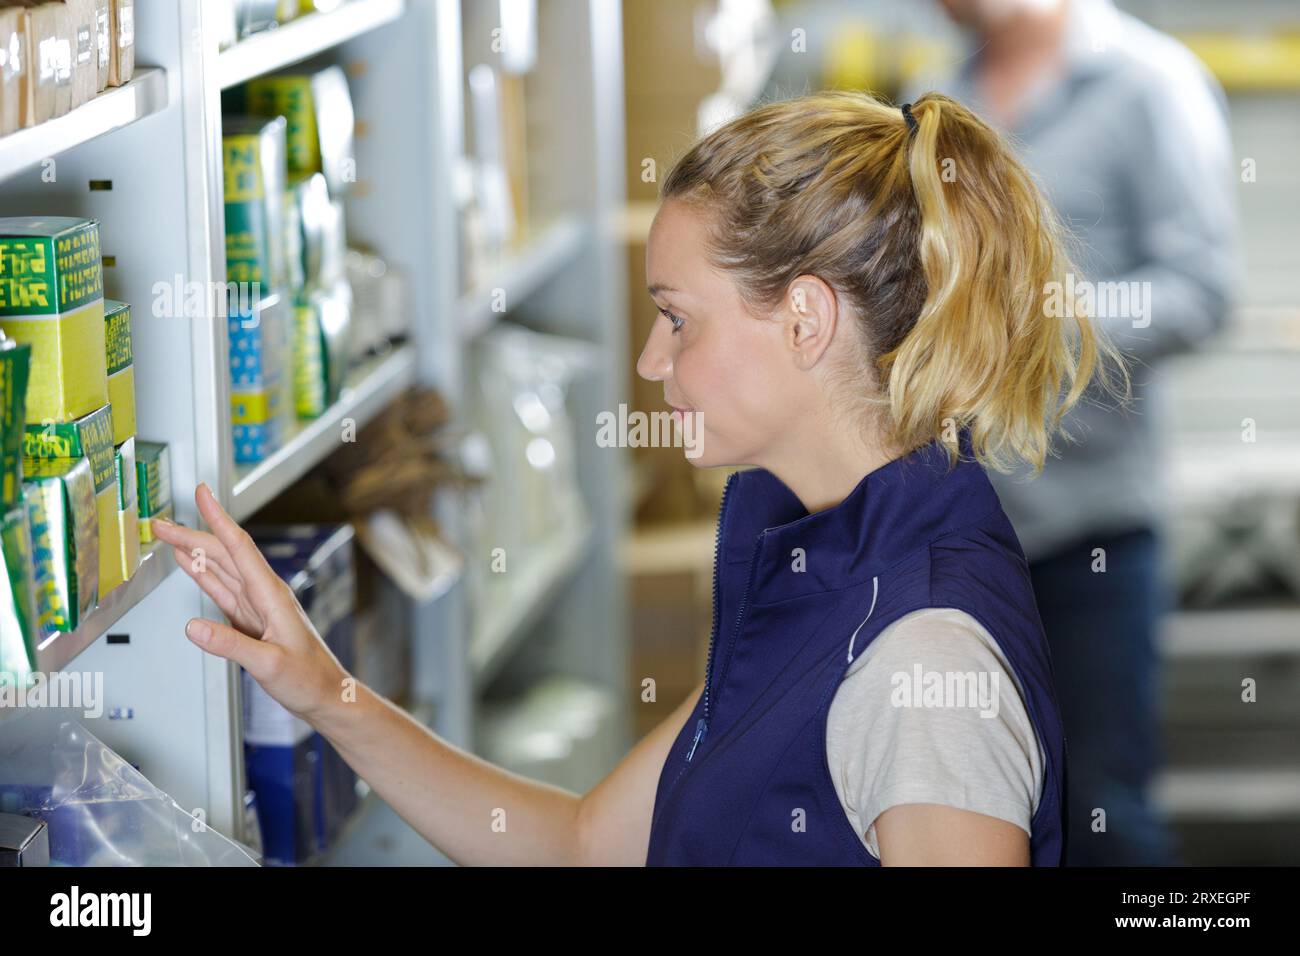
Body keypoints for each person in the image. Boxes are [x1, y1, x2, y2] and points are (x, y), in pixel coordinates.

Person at [152, 89, 1120, 866]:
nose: (653, 360)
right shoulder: (822, 563)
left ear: (804, 321)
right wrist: (325, 691)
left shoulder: (921, 663)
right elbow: (581, 842)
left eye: (678, 317)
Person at [917, 0, 1241, 865]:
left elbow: (1199, 290)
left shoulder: (1148, 85)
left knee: (1101, 811)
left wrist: (1043, 326)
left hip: (1090, 529)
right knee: (973, 810)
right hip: (954, 533)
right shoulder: (934, 97)